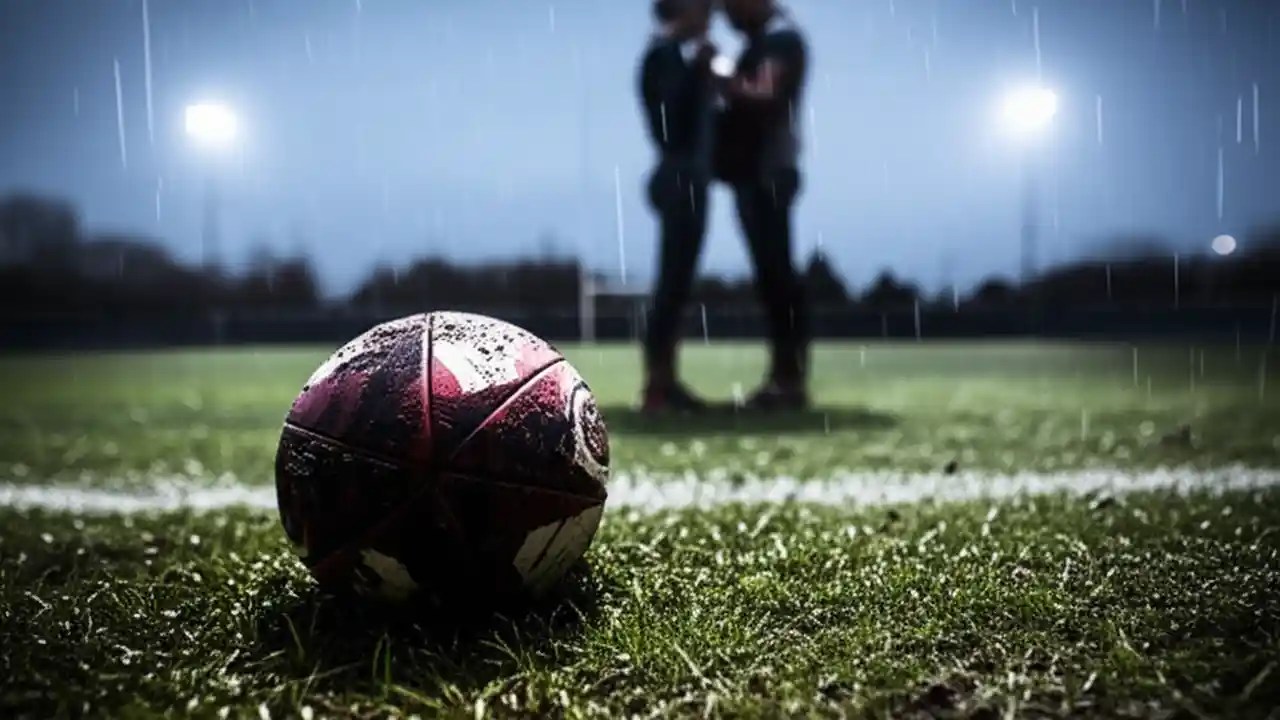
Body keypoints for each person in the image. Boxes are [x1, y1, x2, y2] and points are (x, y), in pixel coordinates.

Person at [716, 0, 810, 409]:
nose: (726, 15)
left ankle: (788, 380)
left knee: (777, 278)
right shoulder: (766, 40)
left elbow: (764, 94)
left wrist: (720, 76)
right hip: (759, 175)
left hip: (768, 174)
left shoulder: (779, 39)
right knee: (773, 278)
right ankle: (785, 377)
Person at [637, 0, 718, 412]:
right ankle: (659, 383)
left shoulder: (670, 56)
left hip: (686, 178)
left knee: (677, 283)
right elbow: (671, 125)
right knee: (672, 283)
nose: (710, 19)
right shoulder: (664, 56)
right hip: (679, 179)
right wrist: (699, 75)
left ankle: (664, 380)